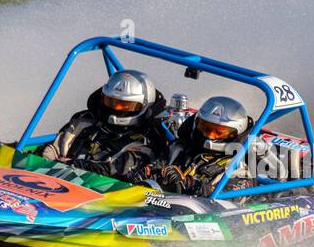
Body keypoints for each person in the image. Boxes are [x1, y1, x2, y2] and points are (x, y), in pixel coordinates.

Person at [41, 70, 169, 180]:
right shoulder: (84, 122)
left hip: (103, 196)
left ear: (144, 106)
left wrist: (74, 165)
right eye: (111, 102)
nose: (116, 108)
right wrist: (41, 159)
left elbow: (116, 171)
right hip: (55, 183)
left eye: (125, 106)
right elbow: (54, 149)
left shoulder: (145, 143)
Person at [158, 95, 255, 197]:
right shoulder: (178, 149)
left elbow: (227, 198)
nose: (210, 135)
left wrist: (188, 184)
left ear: (234, 135)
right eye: (205, 128)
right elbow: (157, 166)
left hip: (203, 210)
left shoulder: (238, 167)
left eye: (218, 132)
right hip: (159, 203)